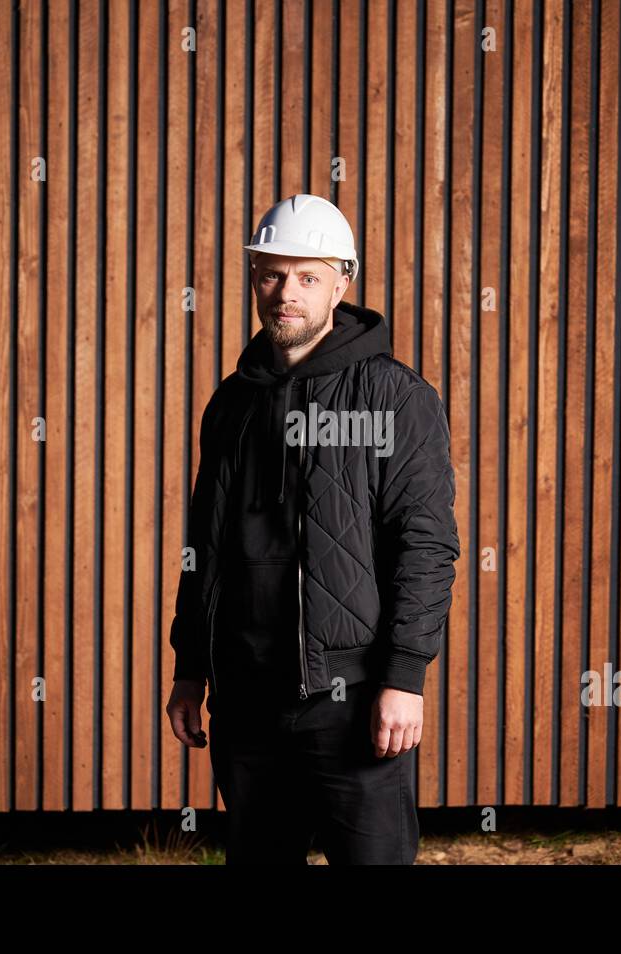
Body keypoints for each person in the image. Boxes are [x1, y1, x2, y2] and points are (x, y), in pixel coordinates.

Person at [164, 193, 459, 864]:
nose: (285, 292)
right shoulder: (232, 401)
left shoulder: (393, 396)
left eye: (307, 276)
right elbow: (204, 549)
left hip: (352, 701)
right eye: (271, 274)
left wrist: (405, 676)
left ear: (341, 284)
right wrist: (190, 668)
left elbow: (425, 544)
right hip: (246, 703)